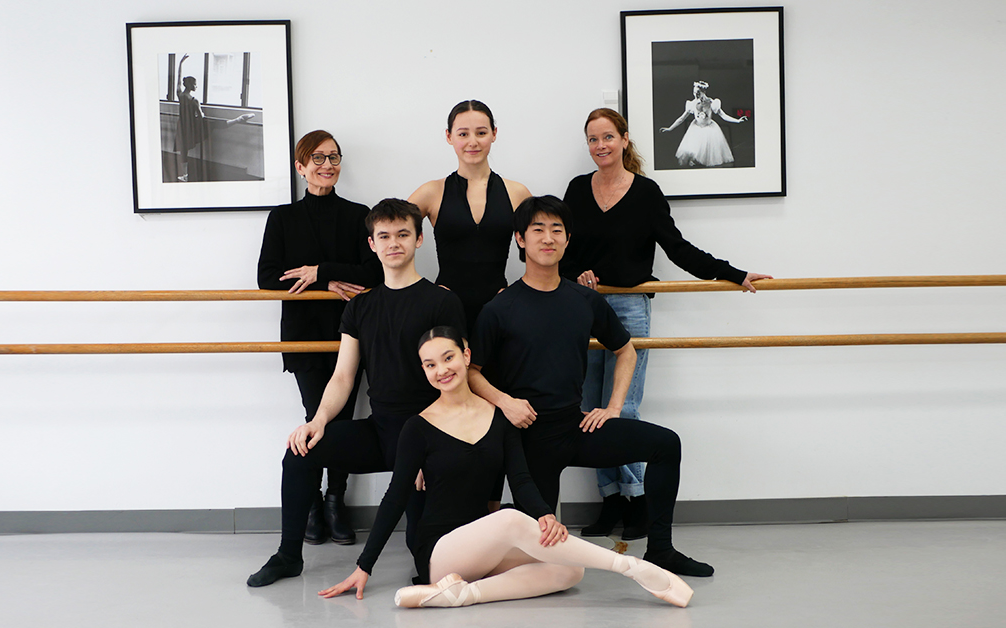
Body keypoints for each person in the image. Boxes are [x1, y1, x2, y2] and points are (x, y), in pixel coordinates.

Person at [317, 326, 693, 609]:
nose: (441, 370)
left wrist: (545, 515)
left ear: (466, 355)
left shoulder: (499, 418)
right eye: (430, 365)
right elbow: (395, 497)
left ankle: (462, 595)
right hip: (439, 551)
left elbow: (522, 479)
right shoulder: (418, 427)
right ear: (424, 371)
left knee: (568, 570)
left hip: (486, 548)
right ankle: (631, 569)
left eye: (447, 358)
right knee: (511, 520)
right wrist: (363, 566)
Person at [468, 195, 715, 578]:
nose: (548, 238)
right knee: (541, 556)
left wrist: (613, 408)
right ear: (520, 239)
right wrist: (505, 402)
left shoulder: (583, 299)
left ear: (568, 240)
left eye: (557, 230)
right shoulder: (500, 307)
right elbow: (472, 371)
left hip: (575, 426)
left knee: (666, 444)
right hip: (528, 437)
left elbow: (626, 350)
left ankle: (661, 549)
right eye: (538, 230)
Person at [562, 108, 772, 539]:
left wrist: (734, 274)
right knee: (586, 409)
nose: (599, 146)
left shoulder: (645, 193)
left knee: (624, 407)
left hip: (630, 308)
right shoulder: (577, 190)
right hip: (584, 307)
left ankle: (638, 501)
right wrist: (576, 274)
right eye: (592, 139)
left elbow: (677, 249)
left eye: (607, 137)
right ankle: (611, 503)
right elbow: (563, 249)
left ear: (623, 139)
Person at [247, 199, 467, 587]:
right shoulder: (360, 306)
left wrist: (425, 450)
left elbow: (453, 383)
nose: (393, 243)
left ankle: (427, 554)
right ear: (372, 244)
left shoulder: (442, 302)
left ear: (419, 240)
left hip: (426, 436)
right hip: (381, 431)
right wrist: (316, 422)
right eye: (384, 236)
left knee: (428, 565)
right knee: (301, 451)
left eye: (402, 234)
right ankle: (288, 556)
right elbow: (343, 377)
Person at [257, 130, 383, 546]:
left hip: (352, 331)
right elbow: (265, 277)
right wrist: (326, 284)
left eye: (333, 157)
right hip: (305, 335)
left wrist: (319, 270)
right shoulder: (283, 218)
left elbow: (374, 271)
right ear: (300, 166)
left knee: (344, 420)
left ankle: (335, 499)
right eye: (317, 158)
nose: (326, 165)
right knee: (319, 416)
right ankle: (312, 500)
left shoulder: (358, 214)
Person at [408, 100, 532, 336]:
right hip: (443, 309)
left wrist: (520, 292)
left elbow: (540, 248)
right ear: (449, 136)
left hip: (499, 309)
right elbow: (390, 237)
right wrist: (421, 290)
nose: (473, 142)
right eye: (463, 134)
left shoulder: (517, 193)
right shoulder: (431, 192)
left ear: (494, 134)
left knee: (495, 374)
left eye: (481, 133)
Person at [173, 53, 254, 182]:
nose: (196, 86)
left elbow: (177, 79)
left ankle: (185, 175)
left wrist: (180, 64)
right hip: (192, 126)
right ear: (190, 85)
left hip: (182, 126)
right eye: (195, 84)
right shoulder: (194, 100)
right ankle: (238, 119)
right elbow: (201, 117)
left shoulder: (179, 94)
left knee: (184, 151)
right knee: (213, 123)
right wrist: (202, 116)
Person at [659, 81, 748, 167]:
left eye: (698, 92)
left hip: (709, 130)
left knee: (707, 155)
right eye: (694, 93)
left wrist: (737, 120)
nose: (695, 95)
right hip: (696, 129)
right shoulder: (692, 104)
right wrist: (670, 128)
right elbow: (682, 118)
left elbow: (723, 116)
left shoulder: (712, 103)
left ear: (703, 91)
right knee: (693, 152)